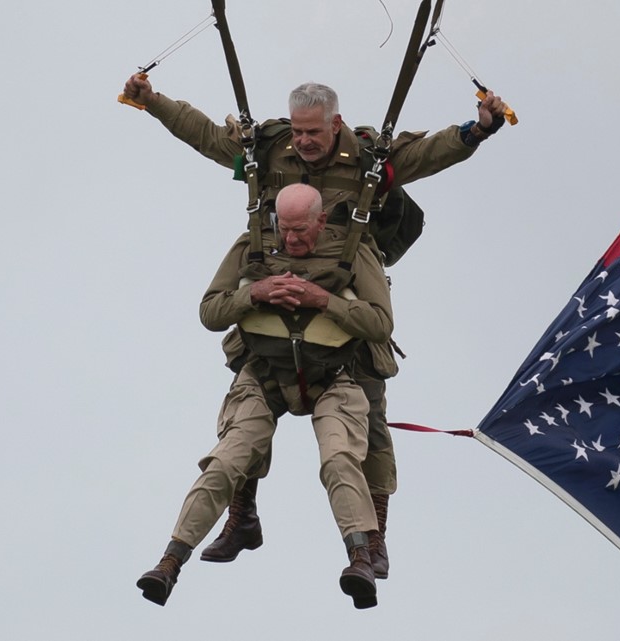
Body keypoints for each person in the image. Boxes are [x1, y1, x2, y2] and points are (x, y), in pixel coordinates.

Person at [122, 77, 508, 576]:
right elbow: (205, 136)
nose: (303, 142)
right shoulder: (267, 152)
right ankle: (241, 517)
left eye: (314, 133)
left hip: (344, 291)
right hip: (274, 294)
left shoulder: (368, 159)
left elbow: (427, 155)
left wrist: (476, 130)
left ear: (336, 124)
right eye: (298, 132)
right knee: (245, 415)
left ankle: (373, 542)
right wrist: (152, 101)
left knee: (367, 424)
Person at [138, 184, 392, 608]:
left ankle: (362, 557)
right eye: (285, 229)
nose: (291, 240)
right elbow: (210, 312)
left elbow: (381, 324)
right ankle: (169, 564)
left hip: (334, 375)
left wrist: (322, 300)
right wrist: (255, 292)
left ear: (322, 222)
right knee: (226, 460)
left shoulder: (354, 248)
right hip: (265, 374)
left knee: (339, 458)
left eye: (302, 231)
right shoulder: (252, 247)